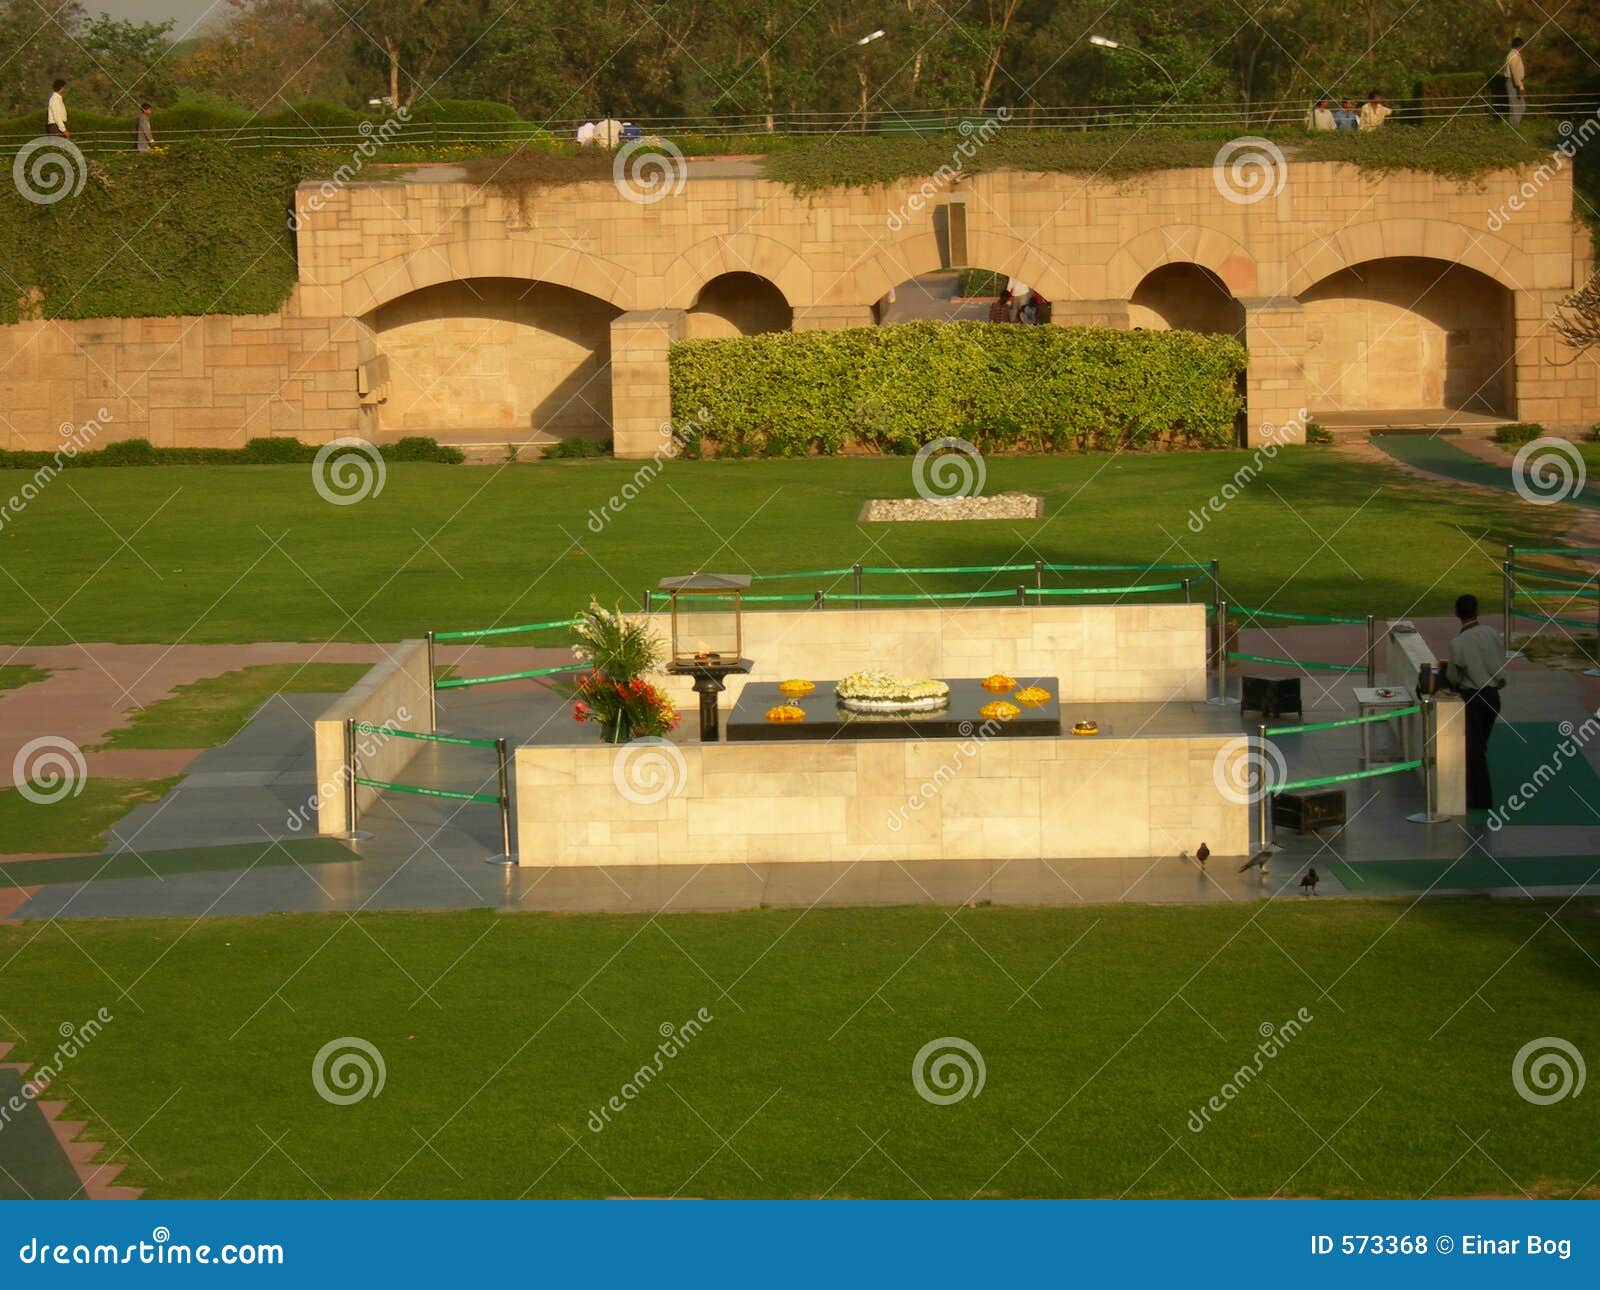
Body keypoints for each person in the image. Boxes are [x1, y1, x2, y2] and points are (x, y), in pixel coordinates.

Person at [1445, 593, 1506, 813]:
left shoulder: (1458, 643)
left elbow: (1453, 676)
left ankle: (1481, 800)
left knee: (1474, 750)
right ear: (1477, 611)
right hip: (1493, 697)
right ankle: (1476, 794)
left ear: (1456, 614)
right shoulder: (1492, 633)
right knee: (1479, 746)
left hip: (1474, 699)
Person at [1505, 37, 1527, 125]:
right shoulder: (1513, 56)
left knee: (1521, 106)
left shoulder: (1514, 54)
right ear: (1520, 45)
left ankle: (1515, 125)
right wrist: (1520, 87)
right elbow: (1515, 73)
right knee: (1516, 107)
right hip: (1513, 83)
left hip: (1515, 82)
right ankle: (1513, 126)